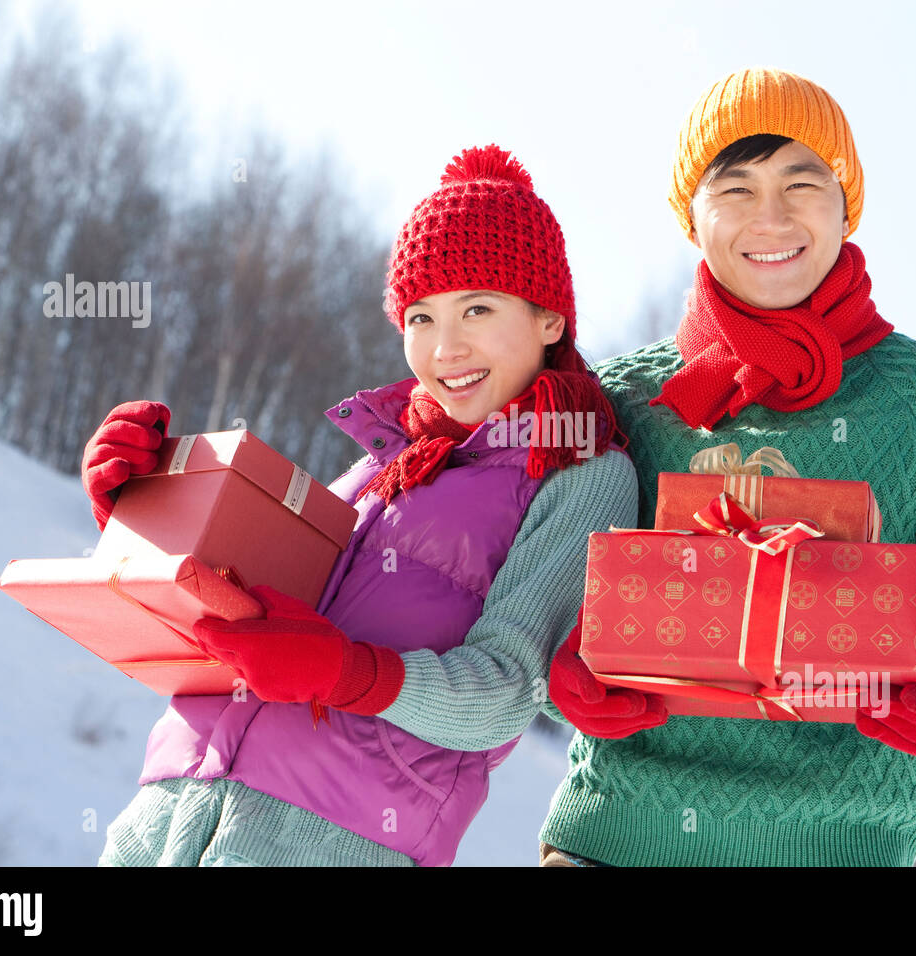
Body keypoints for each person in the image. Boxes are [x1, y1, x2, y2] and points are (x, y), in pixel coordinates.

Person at [539, 67, 916, 867]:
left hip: (840, 848)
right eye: (735, 188)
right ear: (692, 217)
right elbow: (517, 612)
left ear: (847, 203)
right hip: (614, 840)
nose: (770, 216)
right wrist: (557, 667)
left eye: (801, 181)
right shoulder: (616, 401)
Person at [82, 145, 638, 866]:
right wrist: (144, 515)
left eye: (478, 308)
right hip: (171, 804)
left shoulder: (582, 471)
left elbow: (510, 691)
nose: (446, 347)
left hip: (337, 835)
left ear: (550, 320)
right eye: (422, 318)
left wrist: (348, 673)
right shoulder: (387, 461)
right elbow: (244, 609)